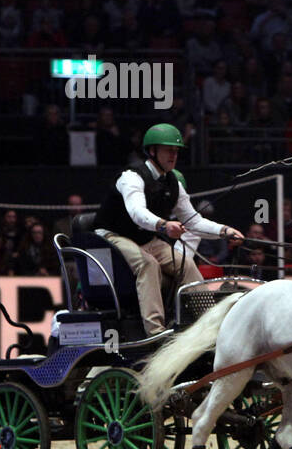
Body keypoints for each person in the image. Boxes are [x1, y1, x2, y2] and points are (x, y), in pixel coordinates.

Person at [91, 123, 245, 336]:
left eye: (176, 151)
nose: (174, 155)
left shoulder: (173, 183)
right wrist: (164, 225)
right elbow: (137, 212)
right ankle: (155, 333)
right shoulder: (131, 176)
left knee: (187, 265)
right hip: (112, 236)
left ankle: (207, 326)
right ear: (152, 151)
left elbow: (193, 222)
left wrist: (225, 231)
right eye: (168, 150)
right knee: (148, 264)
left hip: (143, 239)